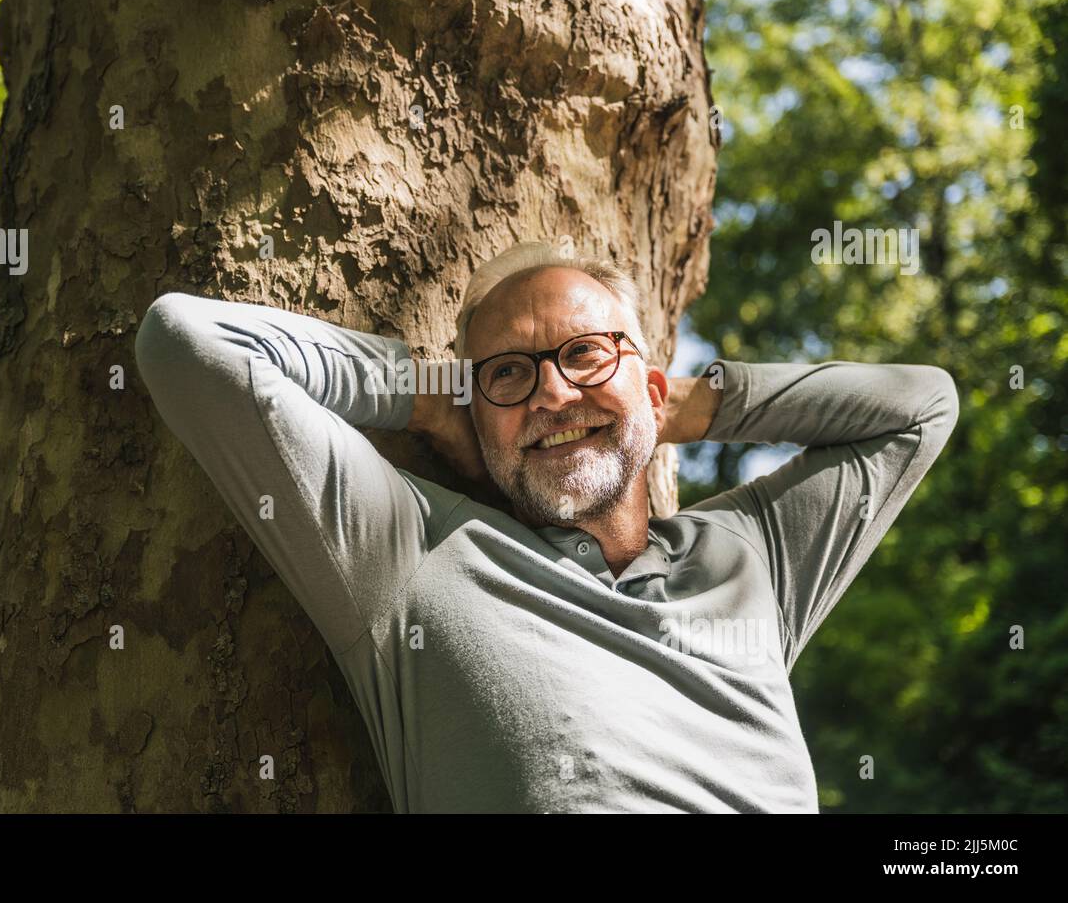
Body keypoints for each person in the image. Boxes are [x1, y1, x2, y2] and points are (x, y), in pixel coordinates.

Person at [134, 241, 959, 812]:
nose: (552, 394)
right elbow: (188, 342)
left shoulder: (749, 559)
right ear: (473, 407)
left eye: (586, 354)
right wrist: (425, 392)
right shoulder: (411, 552)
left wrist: (671, 408)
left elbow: (920, 407)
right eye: (507, 374)